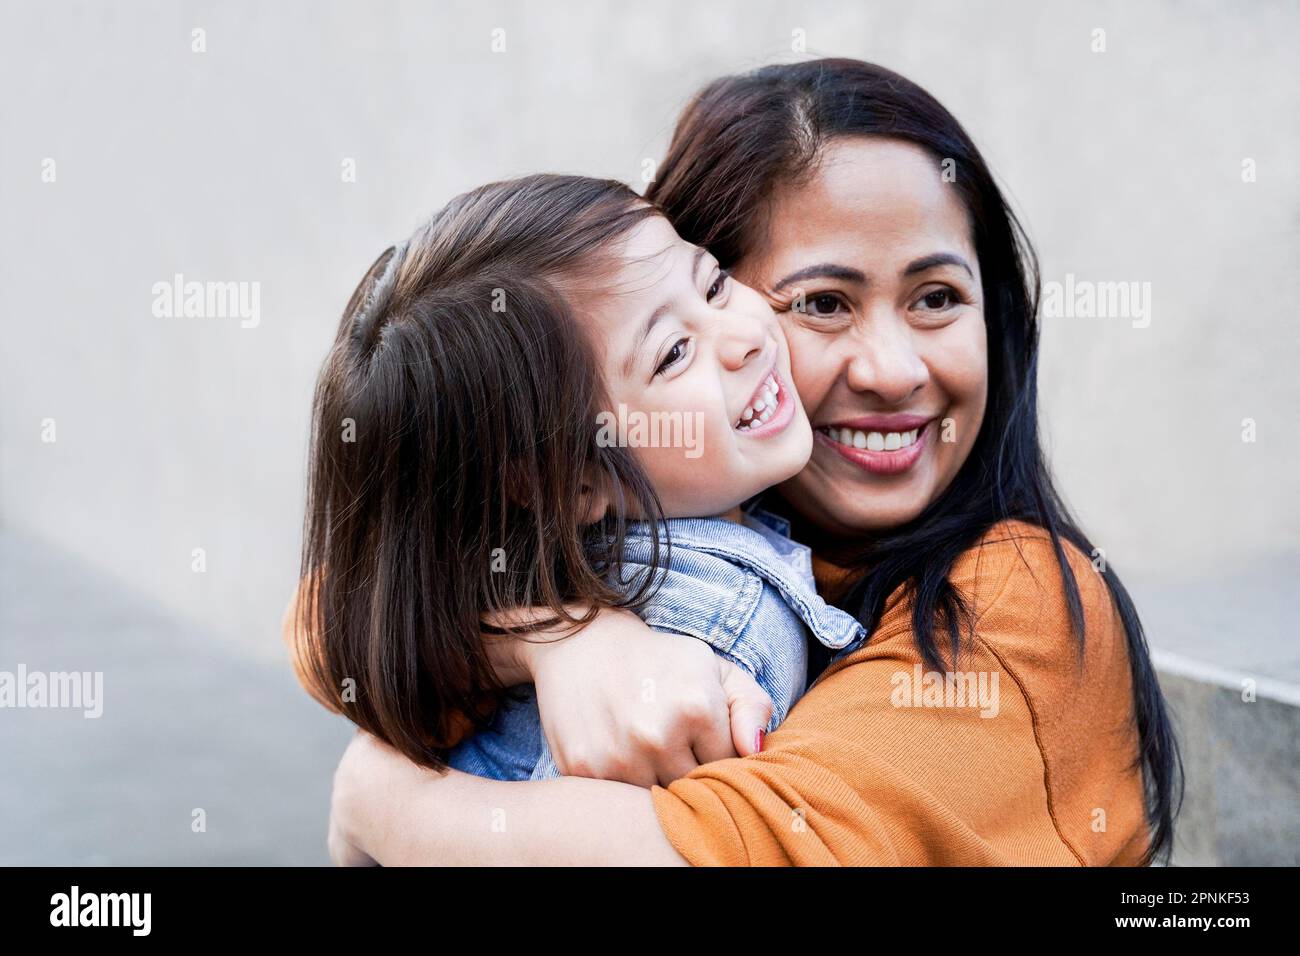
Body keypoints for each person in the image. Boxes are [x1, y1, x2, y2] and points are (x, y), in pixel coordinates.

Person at [318, 59, 1182, 866]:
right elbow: (338, 608)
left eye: (937, 298)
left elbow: (748, 848)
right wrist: (565, 644)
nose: (893, 371)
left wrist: (375, 798)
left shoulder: (1015, 596)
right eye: (821, 303)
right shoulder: (713, 525)